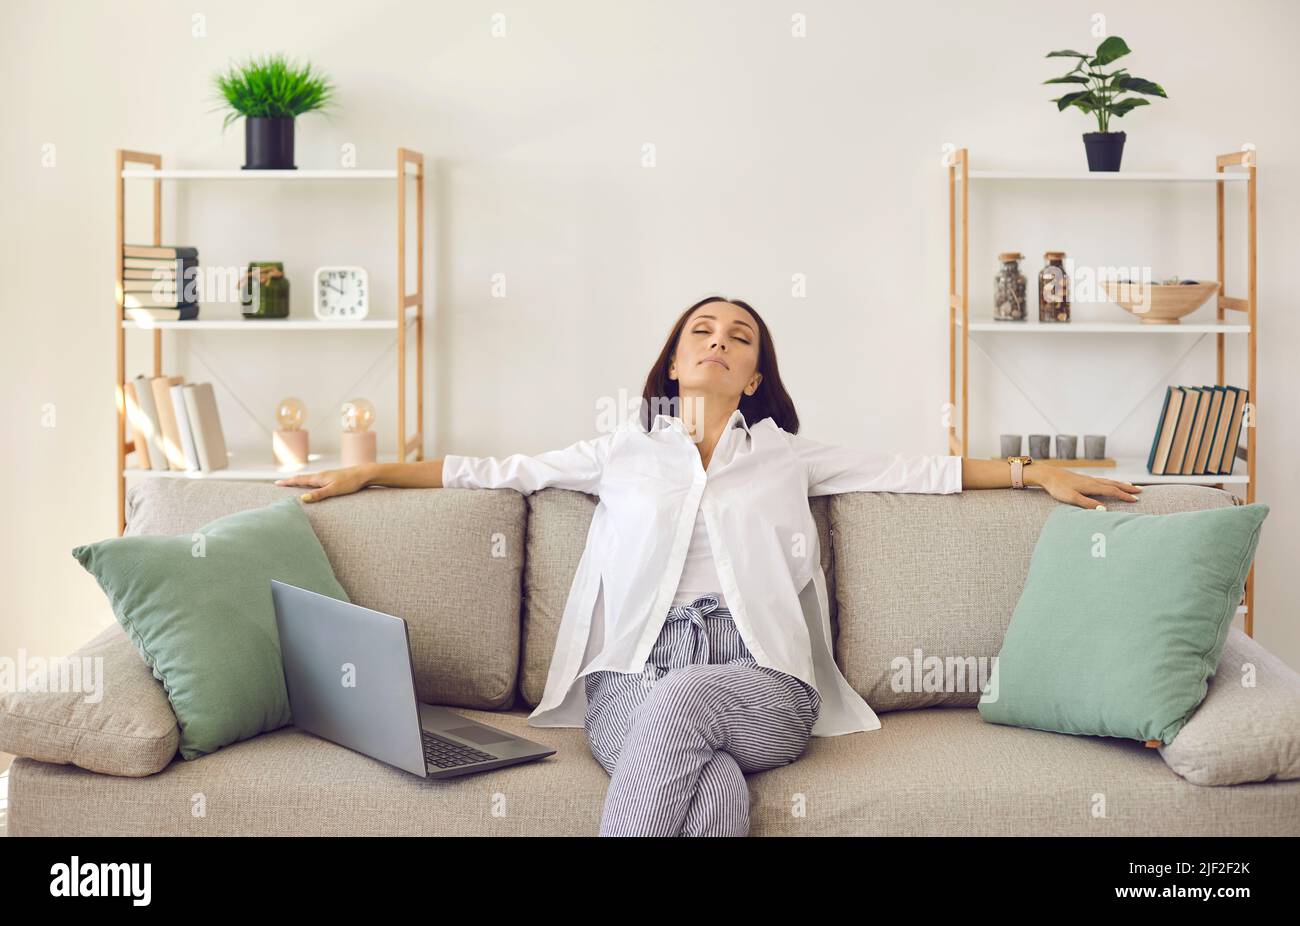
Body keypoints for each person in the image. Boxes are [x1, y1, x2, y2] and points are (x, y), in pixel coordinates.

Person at [276, 295, 1142, 836]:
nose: (719, 342)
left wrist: (1034, 472)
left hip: (763, 679)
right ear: (677, 360)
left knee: (692, 708)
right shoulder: (622, 451)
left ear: (756, 376)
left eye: (739, 338)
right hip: (631, 680)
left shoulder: (790, 456)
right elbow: (490, 469)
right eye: (703, 332)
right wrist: (368, 468)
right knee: (716, 790)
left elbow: (922, 472)